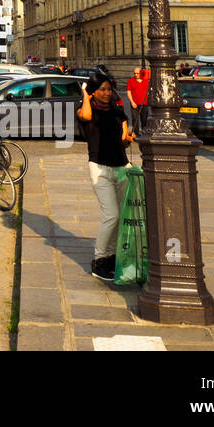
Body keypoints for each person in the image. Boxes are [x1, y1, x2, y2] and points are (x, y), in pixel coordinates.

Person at [77, 66, 134, 281]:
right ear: (94, 91)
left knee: (120, 216)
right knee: (111, 214)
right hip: (99, 167)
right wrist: (85, 94)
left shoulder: (118, 112)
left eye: (109, 89)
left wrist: (127, 139)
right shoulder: (86, 109)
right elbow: (86, 115)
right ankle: (98, 259)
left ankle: (111, 256)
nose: (107, 93)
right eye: (102, 89)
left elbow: (123, 139)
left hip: (121, 166)